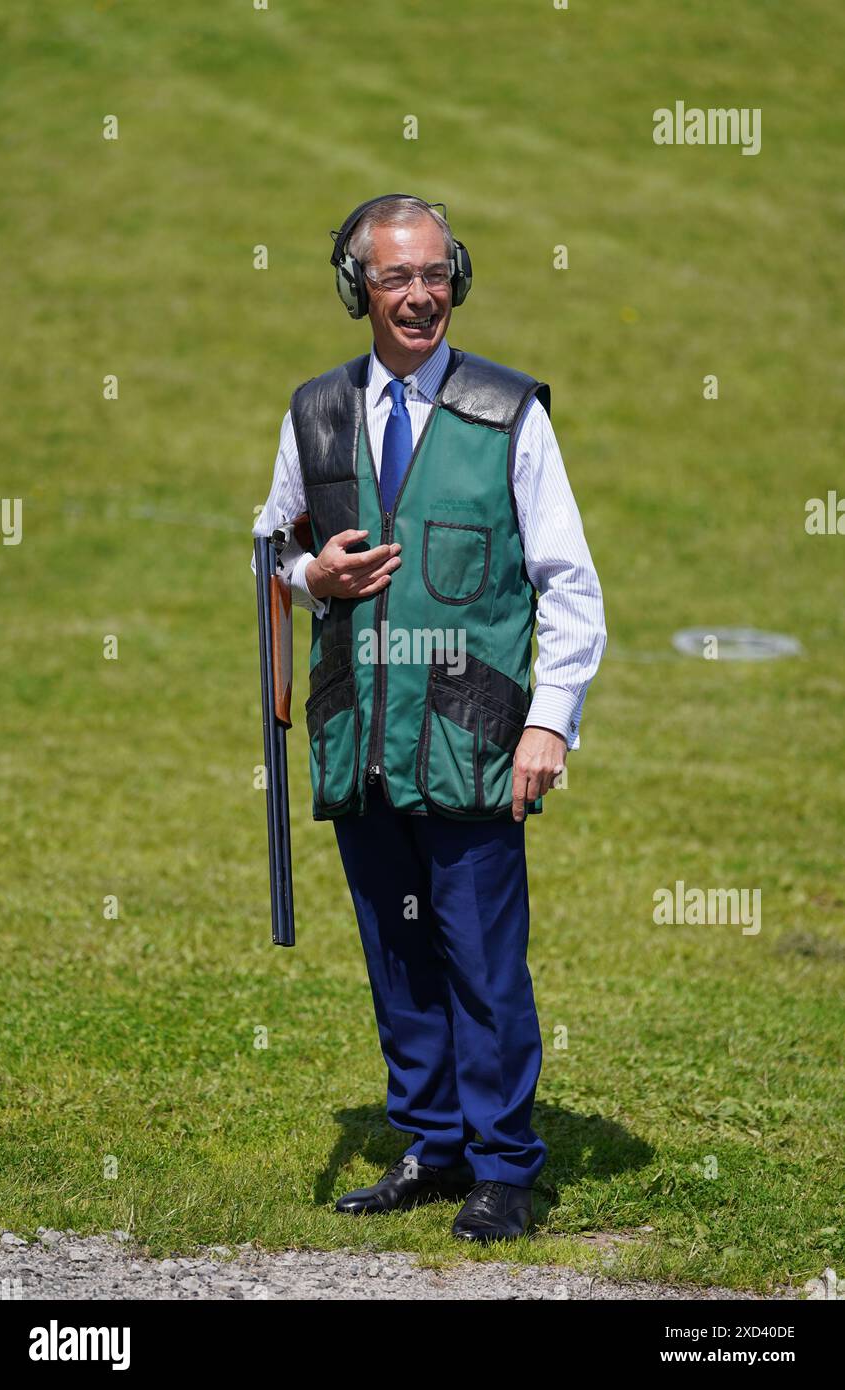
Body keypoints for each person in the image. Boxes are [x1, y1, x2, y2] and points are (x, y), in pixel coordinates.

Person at [253, 194, 606, 1242]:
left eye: (433, 274)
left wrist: (549, 722)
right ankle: (431, 1144)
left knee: (481, 958)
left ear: (455, 276)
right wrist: (311, 572)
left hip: (473, 737)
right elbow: (270, 548)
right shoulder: (314, 413)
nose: (419, 296)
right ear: (355, 288)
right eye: (395, 277)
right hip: (358, 734)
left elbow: (569, 584)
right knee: (397, 952)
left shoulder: (509, 412)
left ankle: (503, 1167)